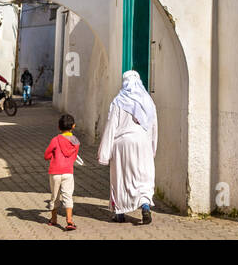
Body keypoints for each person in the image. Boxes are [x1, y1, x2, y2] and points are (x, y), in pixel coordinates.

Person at [96, 70, 158, 224]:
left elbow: (111, 126)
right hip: (142, 144)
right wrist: (152, 147)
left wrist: (104, 153)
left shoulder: (118, 101)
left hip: (122, 144)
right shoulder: (148, 102)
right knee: (143, 176)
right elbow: (153, 127)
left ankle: (119, 213)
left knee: (120, 178)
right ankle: (145, 205)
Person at [44, 113, 85, 231]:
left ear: (59, 127)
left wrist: (53, 155)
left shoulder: (55, 140)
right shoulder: (76, 141)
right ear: (73, 126)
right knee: (68, 195)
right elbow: (73, 156)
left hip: (55, 172)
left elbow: (46, 155)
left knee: (55, 196)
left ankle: (53, 219)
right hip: (68, 172)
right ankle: (69, 221)